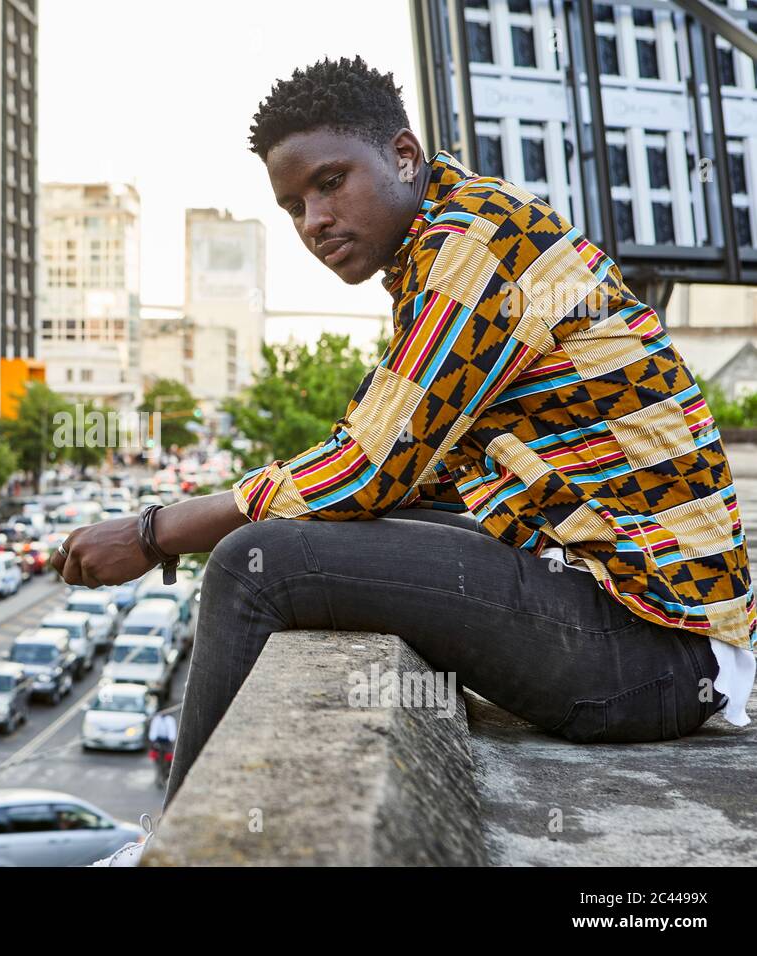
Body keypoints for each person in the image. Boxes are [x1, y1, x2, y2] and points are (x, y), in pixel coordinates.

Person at [54, 55, 756, 820]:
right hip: (661, 642)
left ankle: (180, 842)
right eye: (292, 206)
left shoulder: (473, 247)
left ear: (403, 154)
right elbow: (398, 465)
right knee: (322, 529)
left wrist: (157, 533)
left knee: (254, 565)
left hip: (649, 648)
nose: (314, 221)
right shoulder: (449, 238)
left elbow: (365, 469)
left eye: (330, 183)